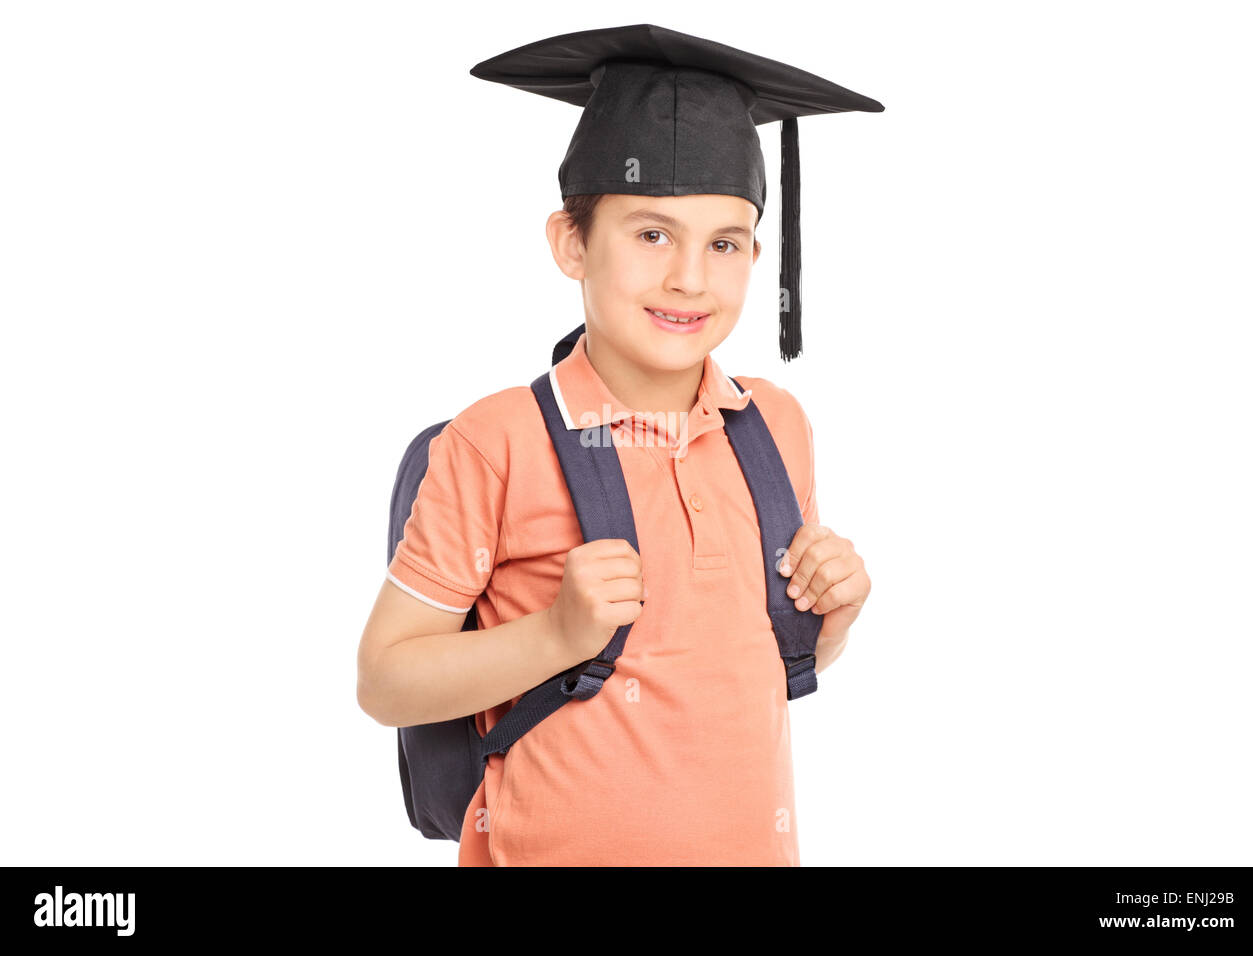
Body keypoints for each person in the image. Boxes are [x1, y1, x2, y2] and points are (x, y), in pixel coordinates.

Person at [356, 24, 878, 865]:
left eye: (725, 243)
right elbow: (384, 681)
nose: (690, 279)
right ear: (572, 243)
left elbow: (755, 663)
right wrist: (557, 636)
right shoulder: (497, 441)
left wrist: (833, 619)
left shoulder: (775, 427)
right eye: (650, 234)